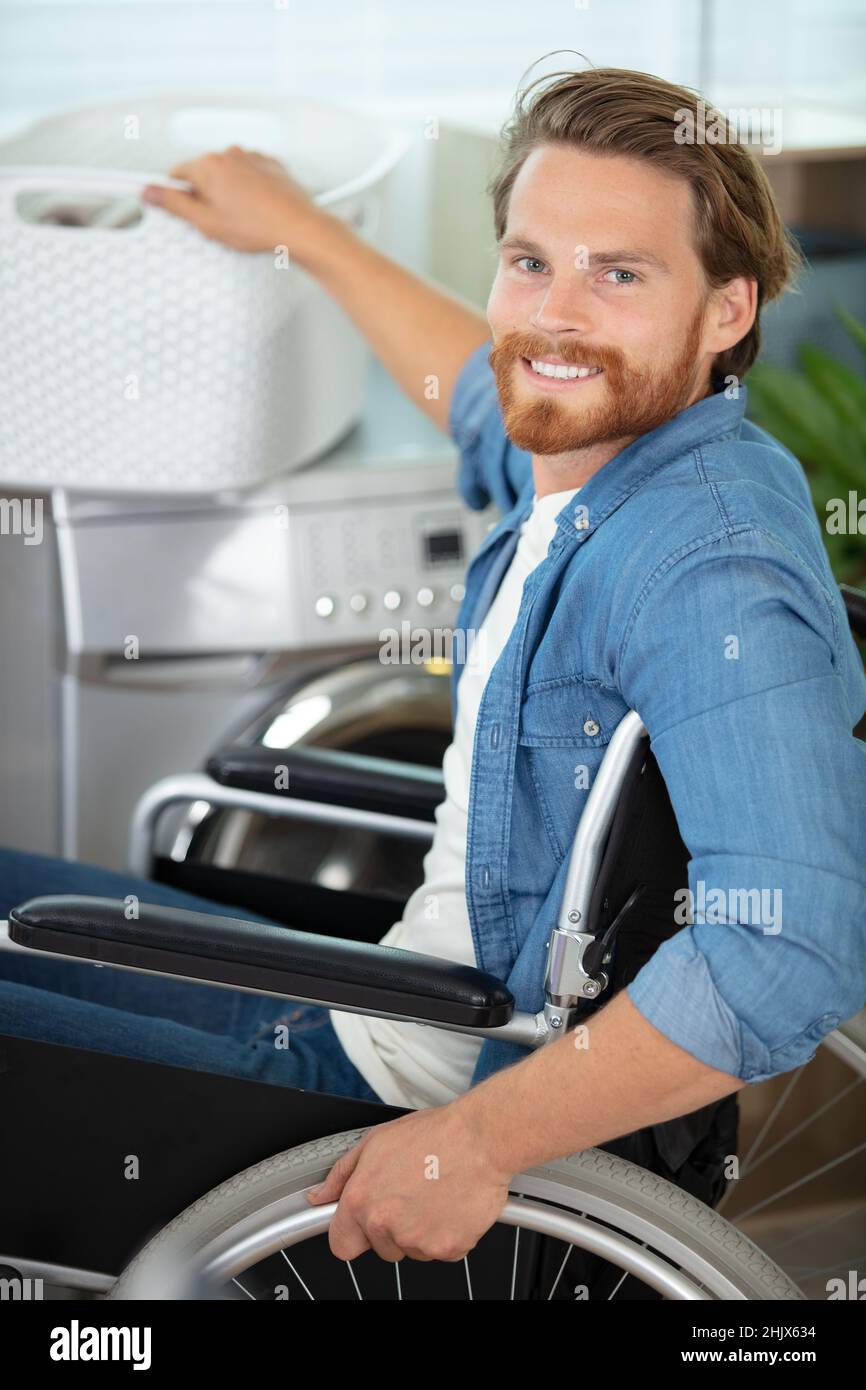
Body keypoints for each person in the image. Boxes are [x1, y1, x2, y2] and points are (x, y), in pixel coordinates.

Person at [2, 64, 865, 1282]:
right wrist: (296, 227)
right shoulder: (618, 460)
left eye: (618, 272)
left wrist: (472, 1139)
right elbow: (477, 389)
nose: (555, 314)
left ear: (726, 308)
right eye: (529, 262)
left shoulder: (702, 572)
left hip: (385, 1082)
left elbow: (786, 950)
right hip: (394, 994)